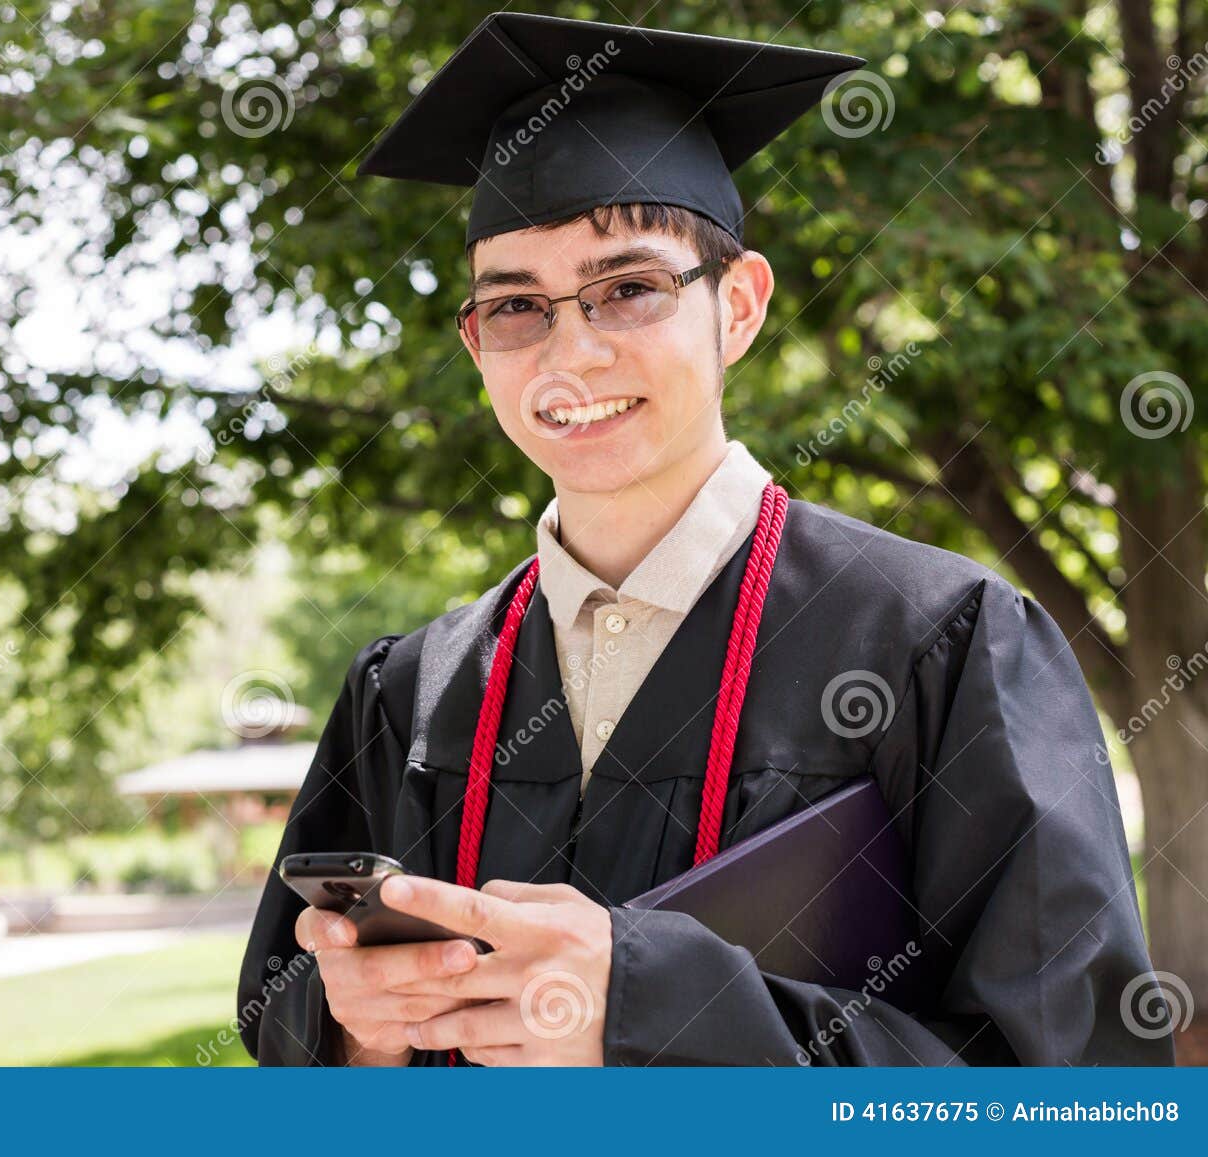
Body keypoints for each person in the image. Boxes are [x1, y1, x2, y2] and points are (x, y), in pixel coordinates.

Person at [236, 12, 1174, 1067]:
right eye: (514, 306)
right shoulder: (409, 691)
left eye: (628, 289)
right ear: (474, 342)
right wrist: (361, 1026)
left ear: (738, 304)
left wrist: (647, 1008)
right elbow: (284, 1024)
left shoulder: (944, 641)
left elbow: (1073, 1085)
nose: (569, 353)